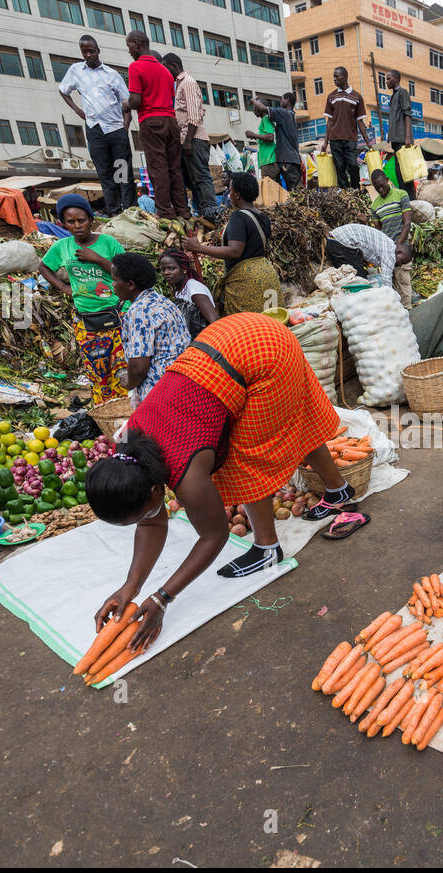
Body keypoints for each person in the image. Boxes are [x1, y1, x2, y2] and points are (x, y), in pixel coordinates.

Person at [86, 313, 357, 646]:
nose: (147, 519)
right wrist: (131, 585)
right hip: (228, 339)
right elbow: (151, 522)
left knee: (243, 461)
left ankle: (267, 547)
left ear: (157, 488)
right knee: (289, 415)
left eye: (143, 513)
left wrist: (162, 598)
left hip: (263, 353)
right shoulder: (124, 448)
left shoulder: (188, 477)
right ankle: (338, 490)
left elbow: (212, 537)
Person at [38, 194, 128, 404]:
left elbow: (126, 272)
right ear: (63, 223)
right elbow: (43, 266)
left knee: (122, 369)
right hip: (86, 320)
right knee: (97, 368)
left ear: (91, 219)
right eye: (71, 221)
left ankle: (129, 413)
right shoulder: (62, 247)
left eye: (81, 220)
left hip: (117, 313)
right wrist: (63, 287)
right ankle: (106, 411)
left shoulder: (108, 242)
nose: (77, 225)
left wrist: (96, 259)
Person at [59, 36, 136, 215]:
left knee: (122, 172)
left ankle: (130, 211)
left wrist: (125, 128)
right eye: (84, 51)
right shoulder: (76, 71)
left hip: (116, 129)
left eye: (91, 51)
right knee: (105, 174)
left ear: (97, 50)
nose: (88, 54)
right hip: (95, 130)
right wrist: (78, 111)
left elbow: (127, 104)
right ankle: (114, 212)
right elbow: (63, 90)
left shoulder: (112, 74)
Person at [183, 172, 278, 315]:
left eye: (231, 191)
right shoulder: (262, 216)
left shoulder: (238, 217)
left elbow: (235, 251)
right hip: (267, 274)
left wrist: (198, 247)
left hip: (247, 281)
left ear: (237, 195)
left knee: (248, 327)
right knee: (270, 324)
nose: (229, 194)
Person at [109, 252, 191, 409]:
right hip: (183, 381)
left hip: (161, 391)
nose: (112, 285)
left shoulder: (138, 312)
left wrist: (129, 382)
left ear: (130, 284)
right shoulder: (163, 301)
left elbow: (139, 367)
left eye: (115, 280)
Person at [124, 30, 188, 220]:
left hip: (151, 121)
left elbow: (135, 101)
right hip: (171, 121)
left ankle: (165, 213)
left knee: (157, 168)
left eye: (129, 46)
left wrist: (126, 104)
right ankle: (183, 211)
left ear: (136, 43)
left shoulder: (135, 67)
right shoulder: (166, 72)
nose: (129, 51)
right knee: (174, 168)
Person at [162, 53, 216, 212]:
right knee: (190, 181)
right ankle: (201, 212)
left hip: (194, 140)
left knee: (201, 178)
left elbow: (194, 116)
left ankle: (211, 212)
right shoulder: (178, 85)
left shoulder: (188, 83)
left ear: (173, 66)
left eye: (165, 68)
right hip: (186, 141)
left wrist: (187, 142)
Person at [368, 169, 414, 307]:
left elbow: (407, 223)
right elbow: (378, 231)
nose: (381, 190)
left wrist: (397, 247)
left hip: (401, 249)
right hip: (386, 251)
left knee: (404, 282)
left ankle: (408, 311)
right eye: (377, 188)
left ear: (387, 180)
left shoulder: (401, 194)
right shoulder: (374, 205)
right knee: (391, 284)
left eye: (382, 185)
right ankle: (397, 312)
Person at [320, 66, 371, 189]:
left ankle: (355, 190)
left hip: (350, 140)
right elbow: (329, 121)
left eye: (337, 76)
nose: (335, 79)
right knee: (340, 168)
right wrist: (325, 143)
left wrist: (368, 142)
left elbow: (360, 122)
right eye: (334, 76)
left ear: (345, 77)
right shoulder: (331, 96)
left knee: (353, 165)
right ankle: (344, 194)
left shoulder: (357, 97)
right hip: (334, 140)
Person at [158, 248, 219, 339]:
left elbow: (215, 320)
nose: (166, 273)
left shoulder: (194, 289)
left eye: (172, 268)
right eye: (163, 269)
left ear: (184, 269)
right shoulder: (179, 290)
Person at [384, 69, 415, 199]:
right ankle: (406, 200)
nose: (386, 81)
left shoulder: (402, 92)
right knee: (399, 173)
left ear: (396, 79)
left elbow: (407, 114)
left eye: (388, 78)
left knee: (406, 174)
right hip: (397, 141)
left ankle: (412, 200)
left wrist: (407, 137)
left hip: (403, 141)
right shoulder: (393, 96)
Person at [269, 93, 303, 190]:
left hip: (288, 160)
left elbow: (264, 109)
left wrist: (254, 101)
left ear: (287, 100)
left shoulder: (284, 113)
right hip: (291, 159)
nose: (280, 102)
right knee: (294, 189)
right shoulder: (291, 116)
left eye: (281, 100)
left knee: (297, 190)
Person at [246, 95, 280, 182]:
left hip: (269, 163)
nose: (253, 111)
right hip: (268, 163)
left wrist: (253, 135)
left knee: (271, 191)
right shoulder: (266, 120)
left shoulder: (266, 119)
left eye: (255, 108)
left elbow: (270, 137)